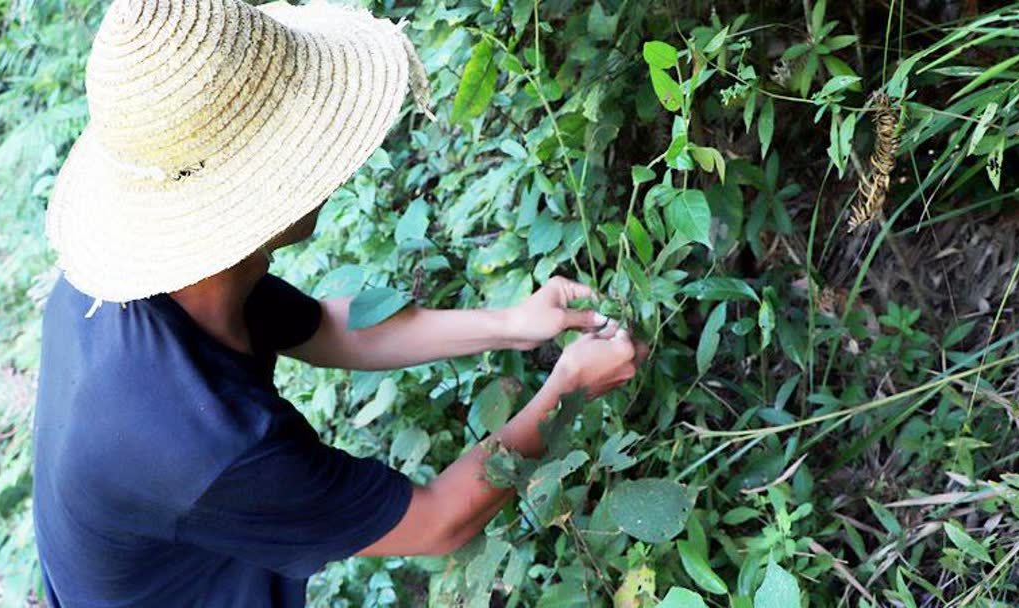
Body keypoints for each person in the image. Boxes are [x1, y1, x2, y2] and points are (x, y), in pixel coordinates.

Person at [33, 0, 645, 606]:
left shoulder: (156, 280)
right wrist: (567, 390)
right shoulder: (209, 449)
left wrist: (514, 324)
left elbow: (326, 327)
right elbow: (436, 523)